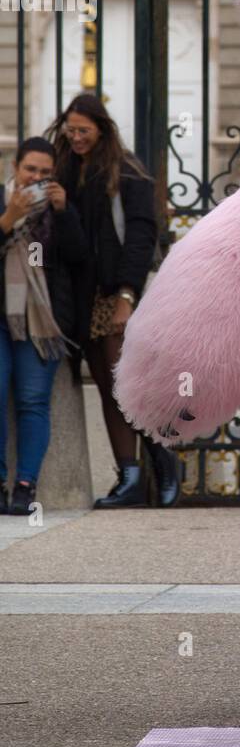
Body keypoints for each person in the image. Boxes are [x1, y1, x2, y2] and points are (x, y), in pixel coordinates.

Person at [47, 94, 178, 508]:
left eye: (84, 130)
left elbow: (141, 236)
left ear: (102, 129)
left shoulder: (127, 170)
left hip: (114, 292)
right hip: (80, 297)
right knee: (106, 387)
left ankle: (162, 457)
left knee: (124, 386)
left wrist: (126, 295)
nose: (77, 137)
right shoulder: (63, 167)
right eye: (71, 130)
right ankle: (130, 477)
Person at [0, 137, 87, 515]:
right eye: (30, 170)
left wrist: (64, 211)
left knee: (33, 401)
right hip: (1, 318)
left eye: (44, 173)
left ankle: (24, 485)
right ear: (15, 168)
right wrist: (8, 218)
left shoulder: (59, 210)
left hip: (41, 322)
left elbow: (79, 257)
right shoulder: (2, 201)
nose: (36, 178)